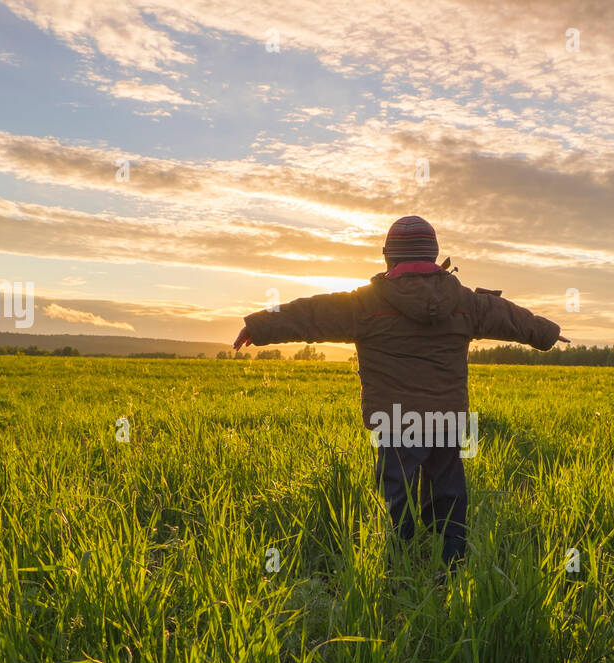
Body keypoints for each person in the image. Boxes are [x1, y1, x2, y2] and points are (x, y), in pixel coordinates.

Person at [232, 215, 569, 568]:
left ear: (387, 255)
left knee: (398, 493)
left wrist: (258, 326)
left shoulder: (365, 304)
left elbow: (311, 314)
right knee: (449, 489)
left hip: (394, 420)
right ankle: (450, 564)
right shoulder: (464, 301)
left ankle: (398, 563)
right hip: (448, 417)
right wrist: (546, 333)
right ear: (435, 254)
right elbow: (509, 317)